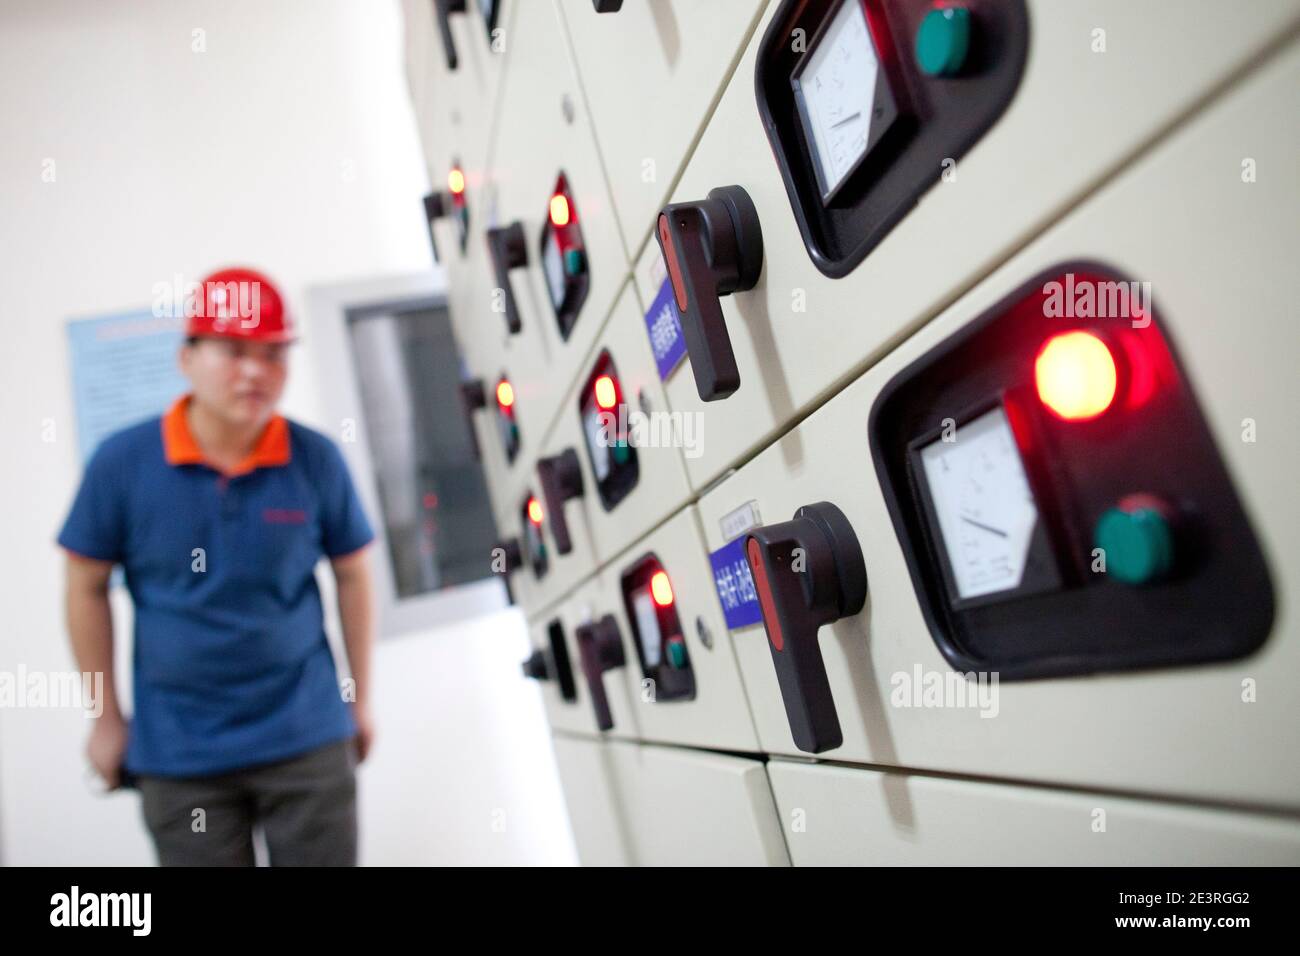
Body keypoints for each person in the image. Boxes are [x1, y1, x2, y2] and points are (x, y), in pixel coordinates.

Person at [58, 267, 376, 866]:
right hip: (180, 755)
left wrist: (359, 698)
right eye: (234, 351)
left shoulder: (316, 459)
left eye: (274, 353)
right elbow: (85, 587)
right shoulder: (121, 464)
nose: (255, 371)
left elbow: (355, 573)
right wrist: (105, 719)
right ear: (186, 357)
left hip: (305, 736)